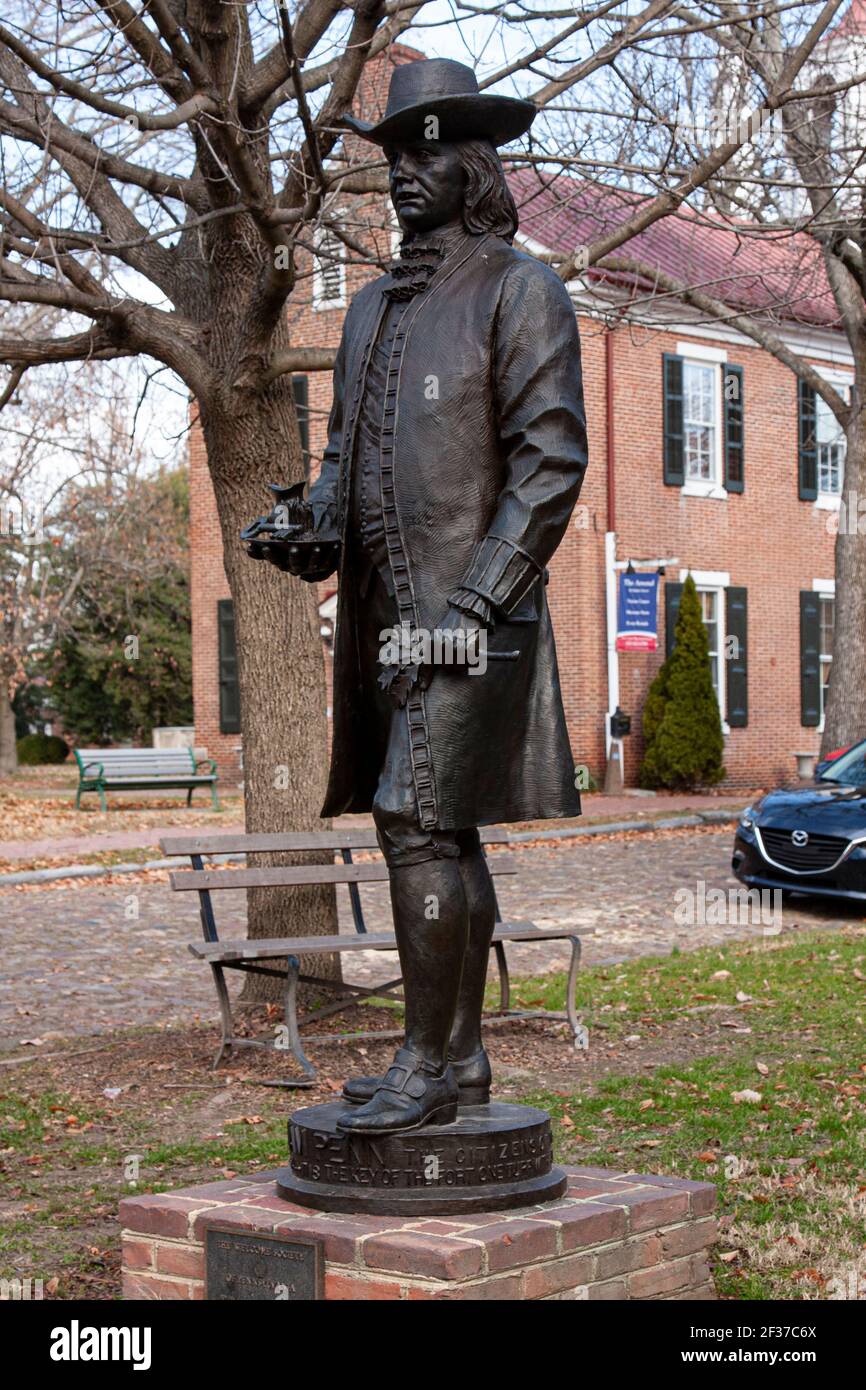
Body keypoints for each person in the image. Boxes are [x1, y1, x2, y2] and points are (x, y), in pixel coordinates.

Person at [260, 57, 589, 1135]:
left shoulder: (518, 288)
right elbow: (346, 458)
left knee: (412, 815)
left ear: (475, 161)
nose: (407, 169)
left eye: (431, 146)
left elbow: (548, 467)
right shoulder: (365, 314)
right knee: (439, 827)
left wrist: (475, 604)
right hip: (389, 626)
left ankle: (424, 1061)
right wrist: (307, 529)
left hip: (473, 623)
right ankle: (462, 1063)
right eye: (396, 151)